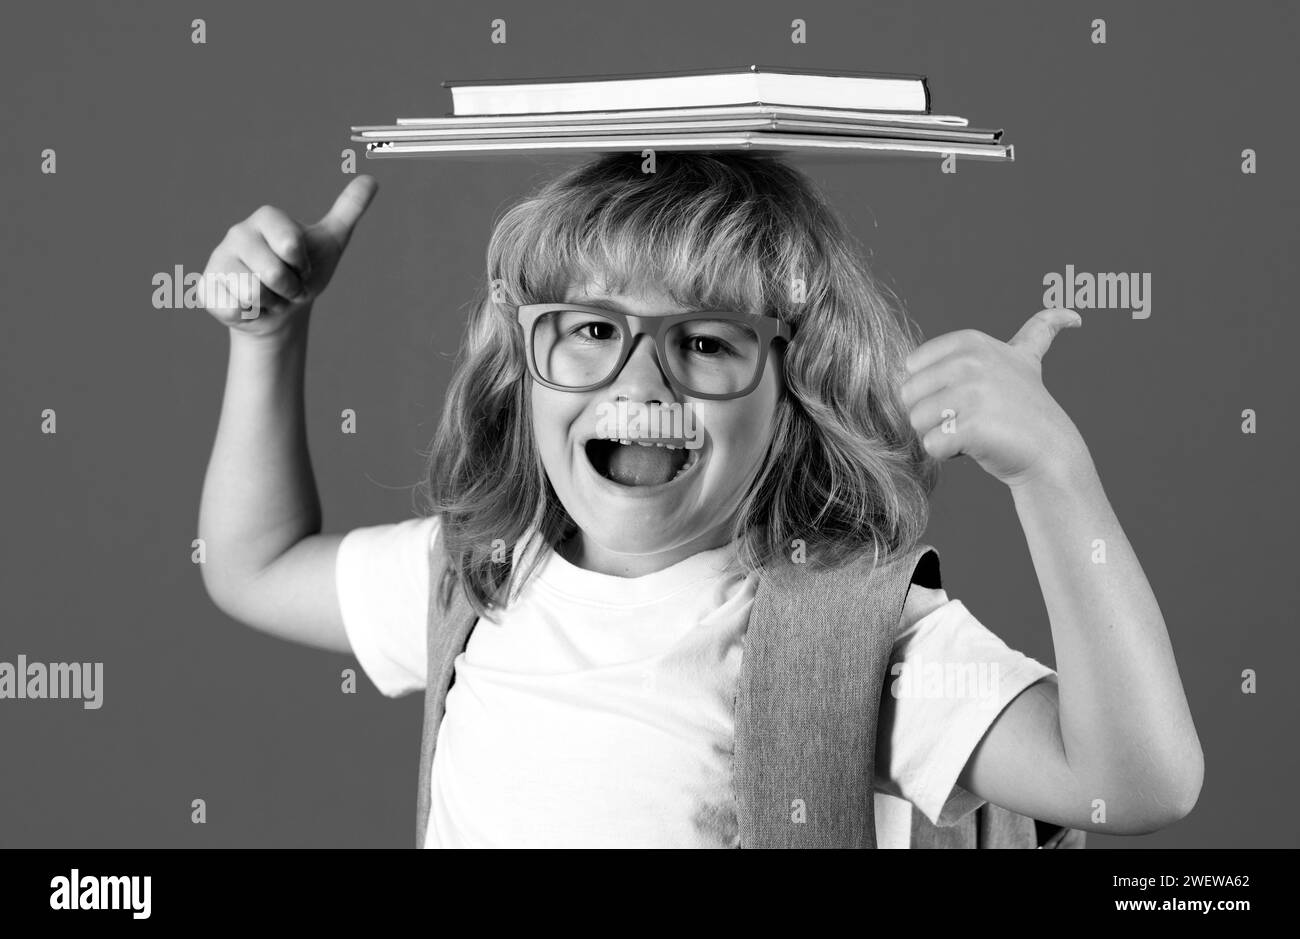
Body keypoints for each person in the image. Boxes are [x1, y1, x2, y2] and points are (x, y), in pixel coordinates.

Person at [197, 151, 1203, 848]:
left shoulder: (853, 640)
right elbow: (256, 565)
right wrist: (266, 341)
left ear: (792, 397)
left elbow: (1135, 784)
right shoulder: (481, 575)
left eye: (707, 341)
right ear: (523, 369)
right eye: (591, 330)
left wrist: (1052, 475)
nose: (640, 385)